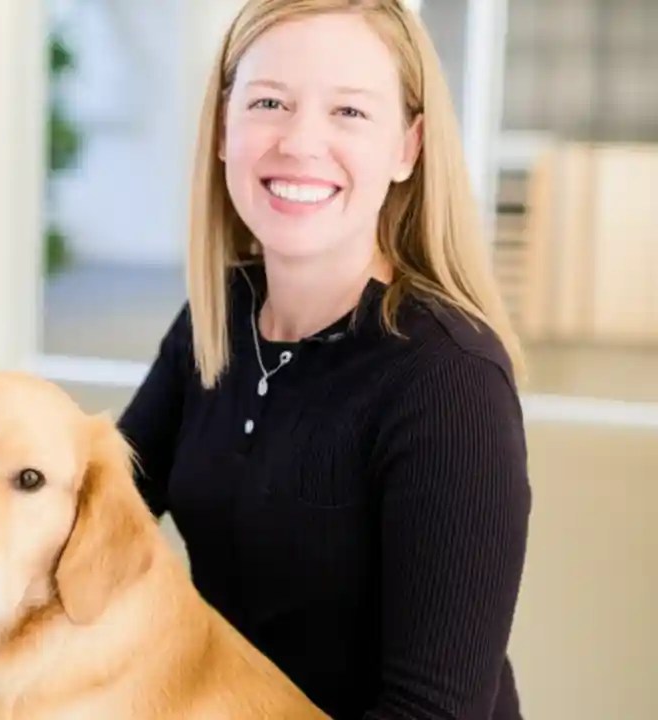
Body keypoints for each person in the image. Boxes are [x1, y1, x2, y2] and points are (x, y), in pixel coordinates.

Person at [116, 1, 531, 718]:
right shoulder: (218, 318)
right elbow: (98, 519)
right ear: (223, 129)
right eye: (270, 102)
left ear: (409, 147)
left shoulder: (448, 380)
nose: (301, 143)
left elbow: (429, 712)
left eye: (349, 112)